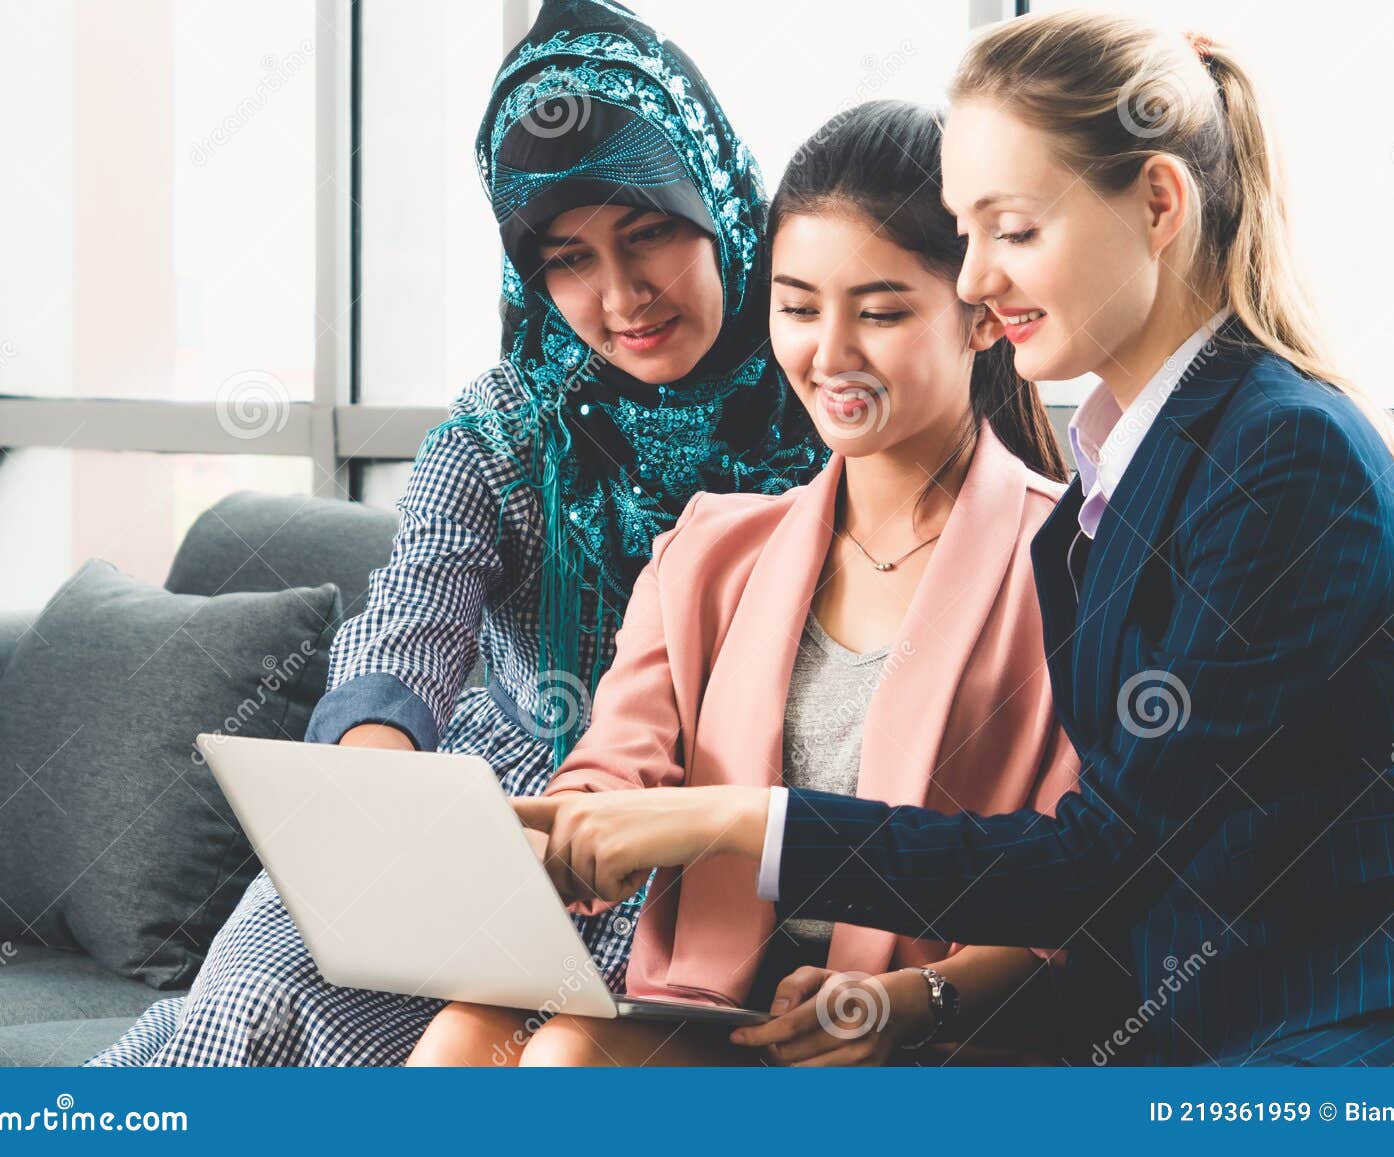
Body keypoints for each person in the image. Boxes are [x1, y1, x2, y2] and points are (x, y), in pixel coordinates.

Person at [512, 12, 1394, 1067]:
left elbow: (1101, 862)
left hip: (1360, 1022)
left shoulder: (1280, 453)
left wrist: (743, 826)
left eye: (1013, 232)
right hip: (1215, 1033)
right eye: (965, 233)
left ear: (1158, 204)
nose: (977, 280)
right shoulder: (1125, 479)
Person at [84, 0, 823, 1067]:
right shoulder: (506, 429)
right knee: (247, 1011)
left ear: (714, 202)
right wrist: (381, 797)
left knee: (517, 1057)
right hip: (484, 824)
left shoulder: (828, 415)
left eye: (649, 232)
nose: (621, 295)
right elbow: (407, 621)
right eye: (568, 258)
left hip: (695, 853)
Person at [407, 100, 1079, 1067]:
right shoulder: (713, 549)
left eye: (880, 312)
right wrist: (549, 834)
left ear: (981, 314)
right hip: (721, 1008)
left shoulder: (1072, 560)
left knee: (564, 1060)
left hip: (929, 1029)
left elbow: (1079, 884)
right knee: (464, 1034)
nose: (830, 354)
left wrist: (907, 998)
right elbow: (616, 767)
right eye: (798, 308)